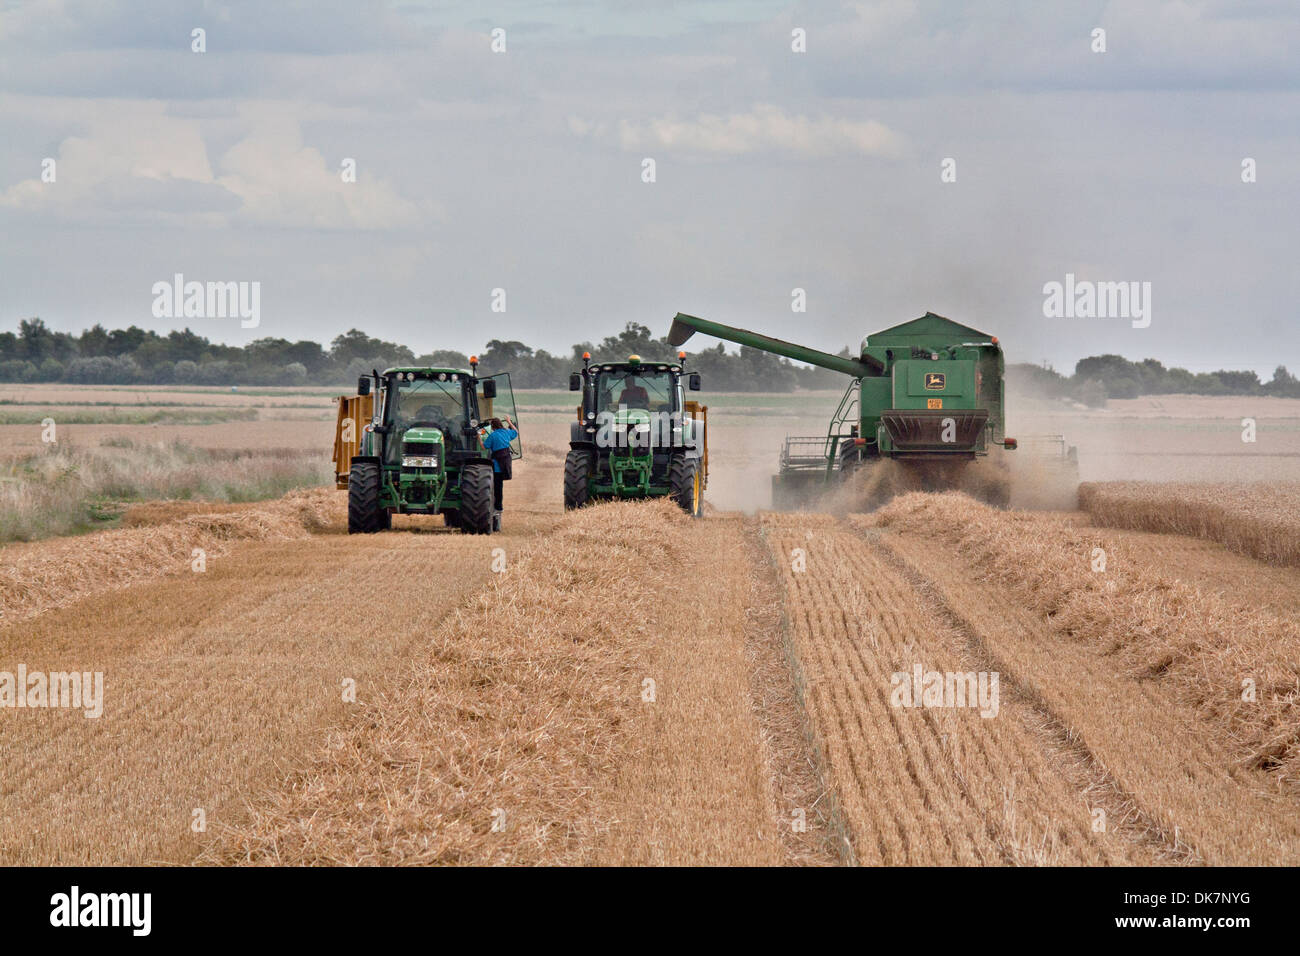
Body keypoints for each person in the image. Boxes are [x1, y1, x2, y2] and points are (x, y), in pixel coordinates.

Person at [481, 416, 518, 512]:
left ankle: (494, 506)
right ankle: (499, 507)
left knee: (495, 486)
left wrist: (478, 436)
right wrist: (509, 422)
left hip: (497, 465)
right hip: (506, 463)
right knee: (499, 486)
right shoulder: (506, 432)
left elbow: (484, 447)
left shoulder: (493, 436)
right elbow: (515, 431)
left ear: (493, 427)